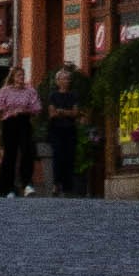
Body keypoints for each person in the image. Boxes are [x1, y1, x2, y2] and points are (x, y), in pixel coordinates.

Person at [0, 62, 40, 198]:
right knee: (10, 155)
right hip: (9, 123)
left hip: (24, 122)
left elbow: (37, 109)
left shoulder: (30, 91)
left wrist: (25, 110)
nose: (21, 77)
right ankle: (8, 188)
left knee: (27, 151)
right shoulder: (5, 91)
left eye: (23, 75)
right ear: (13, 77)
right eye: (19, 75)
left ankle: (27, 184)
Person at [44, 62, 86, 196]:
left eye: (68, 79)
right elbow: (52, 113)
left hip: (70, 129)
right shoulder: (53, 96)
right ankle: (56, 184)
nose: (67, 81)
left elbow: (76, 113)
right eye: (64, 78)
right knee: (58, 156)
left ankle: (68, 186)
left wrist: (63, 112)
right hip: (56, 130)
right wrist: (65, 113)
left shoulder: (73, 95)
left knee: (70, 156)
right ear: (58, 81)